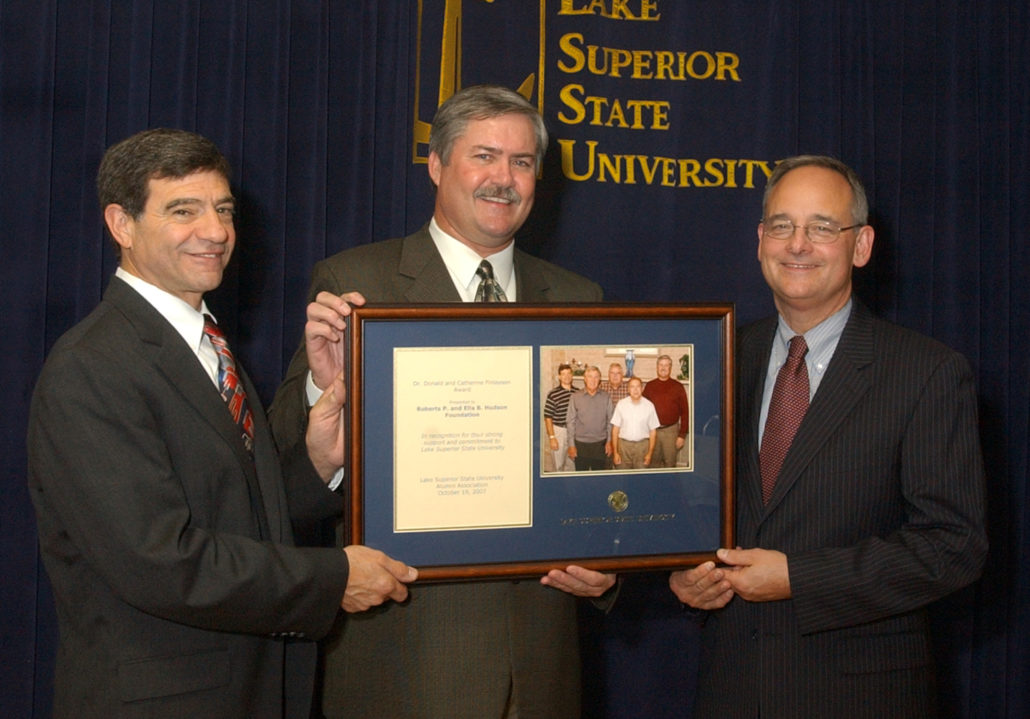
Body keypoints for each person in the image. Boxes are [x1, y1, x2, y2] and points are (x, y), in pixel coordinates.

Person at [26, 128, 417, 718]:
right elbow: (161, 561)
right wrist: (332, 577)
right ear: (121, 225)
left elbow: (232, 509)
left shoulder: (207, 345)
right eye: (183, 210)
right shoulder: (91, 367)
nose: (215, 232)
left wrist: (317, 462)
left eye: (223, 209)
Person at [268, 85, 615, 719]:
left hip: (542, 671)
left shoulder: (578, 297)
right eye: (484, 156)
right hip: (404, 665)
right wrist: (325, 391)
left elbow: (591, 477)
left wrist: (609, 564)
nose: (503, 179)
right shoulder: (357, 286)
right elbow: (280, 482)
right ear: (435, 165)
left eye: (521, 162)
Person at [669, 155, 987, 717]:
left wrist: (798, 578)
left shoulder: (926, 372)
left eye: (821, 227)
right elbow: (688, 512)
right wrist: (683, 578)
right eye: (782, 226)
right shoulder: (716, 360)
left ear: (860, 246)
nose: (798, 245)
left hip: (861, 693)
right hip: (731, 689)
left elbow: (953, 546)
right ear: (760, 240)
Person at [642, 354, 689, 467]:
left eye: (666, 365)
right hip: (653, 431)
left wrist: (682, 435)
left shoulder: (678, 386)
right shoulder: (650, 386)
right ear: (657, 367)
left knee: (670, 464)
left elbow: (685, 412)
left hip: (671, 432)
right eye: (661, 365)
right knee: (653, 464)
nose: (663, 368)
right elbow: (642, 409)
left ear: (670, 368)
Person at [566, 365, 614, 471]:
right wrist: (571, 445)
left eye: (596, 377)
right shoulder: (575, 397)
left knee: (599, 478)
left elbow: (610, 421)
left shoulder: (606, 397)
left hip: (600, 445)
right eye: (590, 377)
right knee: (581, 478)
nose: (593, 380)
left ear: (600, 379)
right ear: (585, 379)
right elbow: (570, 422)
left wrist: (609, 442)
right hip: (580, 445)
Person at [610, 376, 659, 469]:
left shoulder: (649, 406)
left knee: (640, 479)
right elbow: (615, 430)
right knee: (622, 478)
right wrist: (615, 452)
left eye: (638, 386)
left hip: (642, 448)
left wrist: (649, 453)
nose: (635, 390)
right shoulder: (621, 404)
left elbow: (653, 432)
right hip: (623, 448)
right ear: (628, 389)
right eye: (632, 387)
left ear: (642, 388)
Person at [544, 362, 578, 472]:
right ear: (559, 376)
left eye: (569, 373)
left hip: (574, 432)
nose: (566, 376)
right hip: (559, 431)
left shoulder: (578, 392)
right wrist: (552, 438)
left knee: (572, 465)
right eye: (563, 374)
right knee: (558, 466)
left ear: (572, 375)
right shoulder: (553, 394)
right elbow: (548, 417)